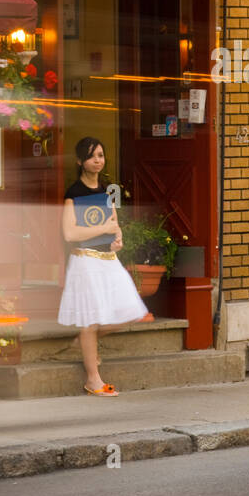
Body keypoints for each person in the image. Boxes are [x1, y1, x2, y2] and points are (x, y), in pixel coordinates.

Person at [59, 136, 149, 396]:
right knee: (90, 321)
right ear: (80, 161)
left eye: (100, 155)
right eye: (91, 156)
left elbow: (114, 223)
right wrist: (103, 229)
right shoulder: (73, 193)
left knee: (131, 310)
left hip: (109, 260)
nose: (97, 160)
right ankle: (93, 379)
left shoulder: (110, 189)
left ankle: (83, 343)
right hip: (85, 260)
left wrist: (117, 238)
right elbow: (69, 233)